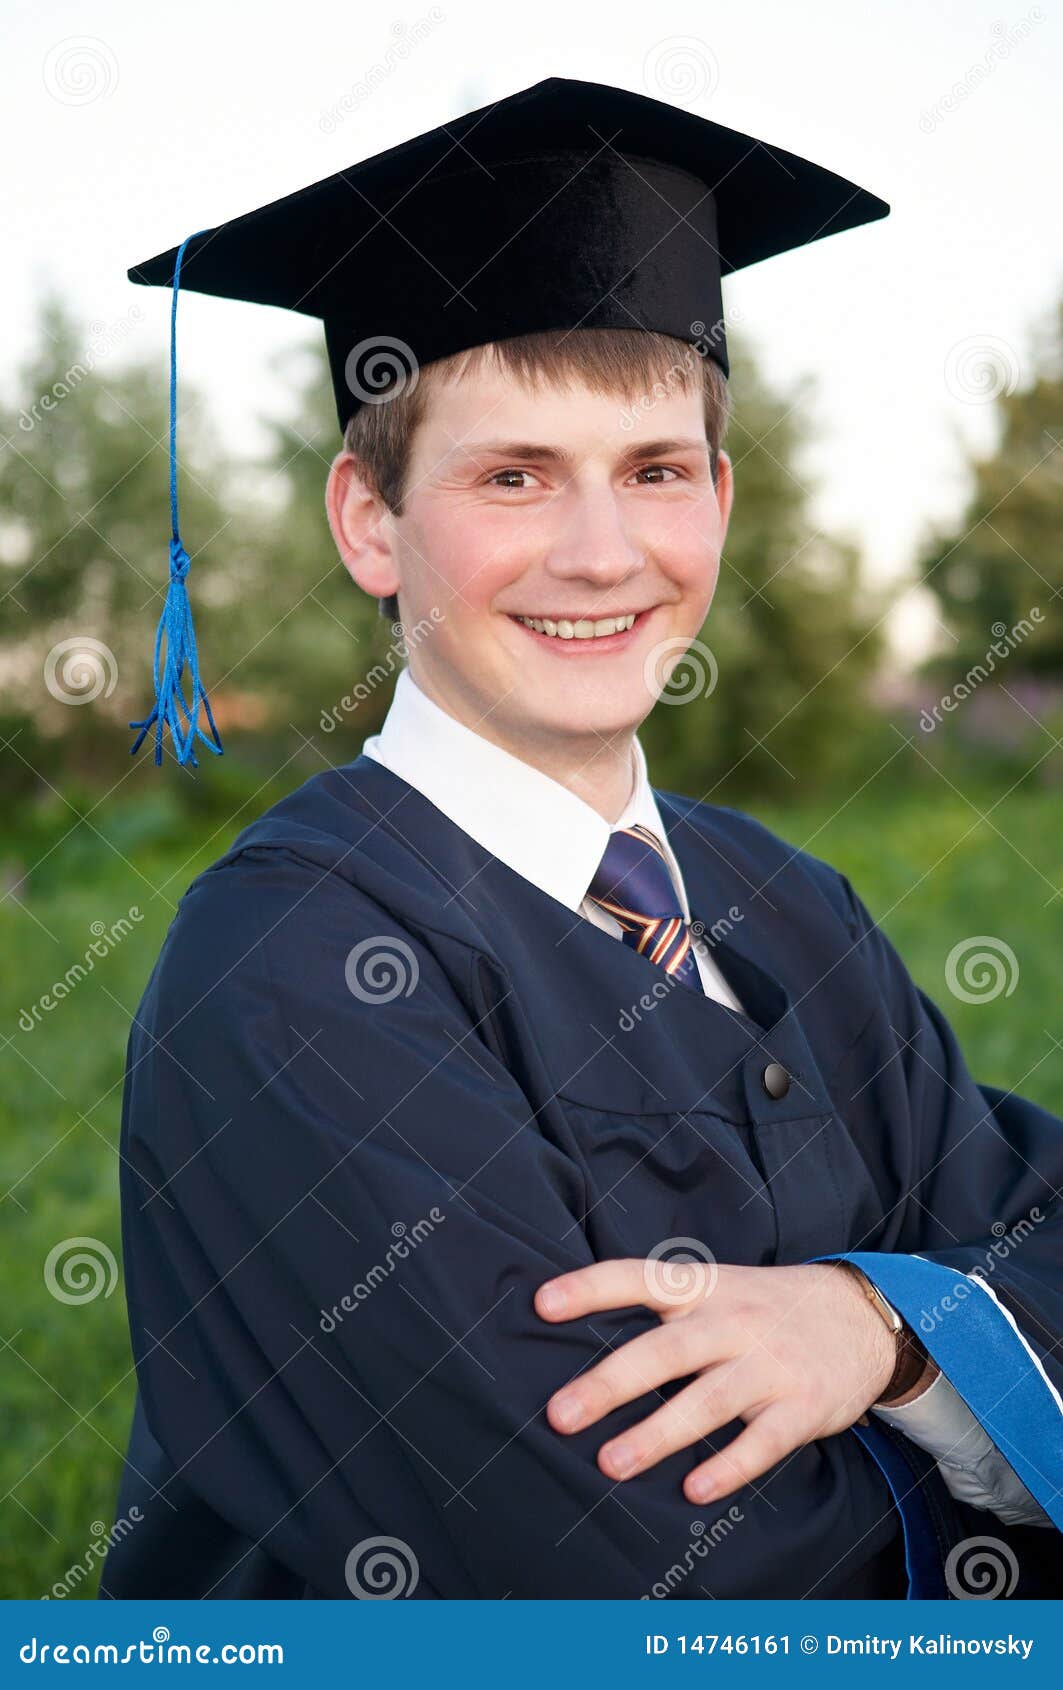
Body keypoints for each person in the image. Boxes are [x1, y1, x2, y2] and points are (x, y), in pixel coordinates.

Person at [101, 76, 1062, 1601]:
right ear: (368, 520)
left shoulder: (784, 901)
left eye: (654, 471)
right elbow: (618, 1565)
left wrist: (878, 1328)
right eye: (515, 476)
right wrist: (974, 1402)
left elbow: (1033, 1215)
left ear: (720, 500)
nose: (604, 554)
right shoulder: (285, 971)